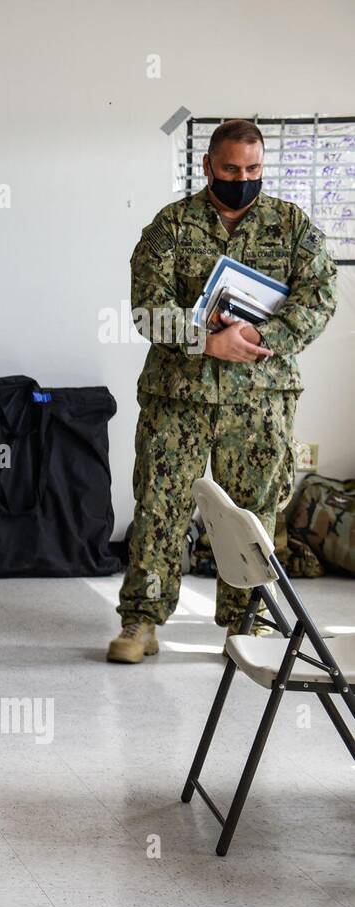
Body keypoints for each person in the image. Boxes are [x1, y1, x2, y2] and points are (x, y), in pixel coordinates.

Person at [108, 119, 337, 662]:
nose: (243, 178)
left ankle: (246, 622)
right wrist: (206, 343)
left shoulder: (292, 227)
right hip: (177, 397)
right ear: (208, 165)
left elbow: (320, 297)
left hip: (260, 398)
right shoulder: (171, 226)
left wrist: (259, 336)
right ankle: (141, 622)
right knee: (159, 507)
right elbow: (146, 309)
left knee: (254, 515)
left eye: (254, 169)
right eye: (231, 168)